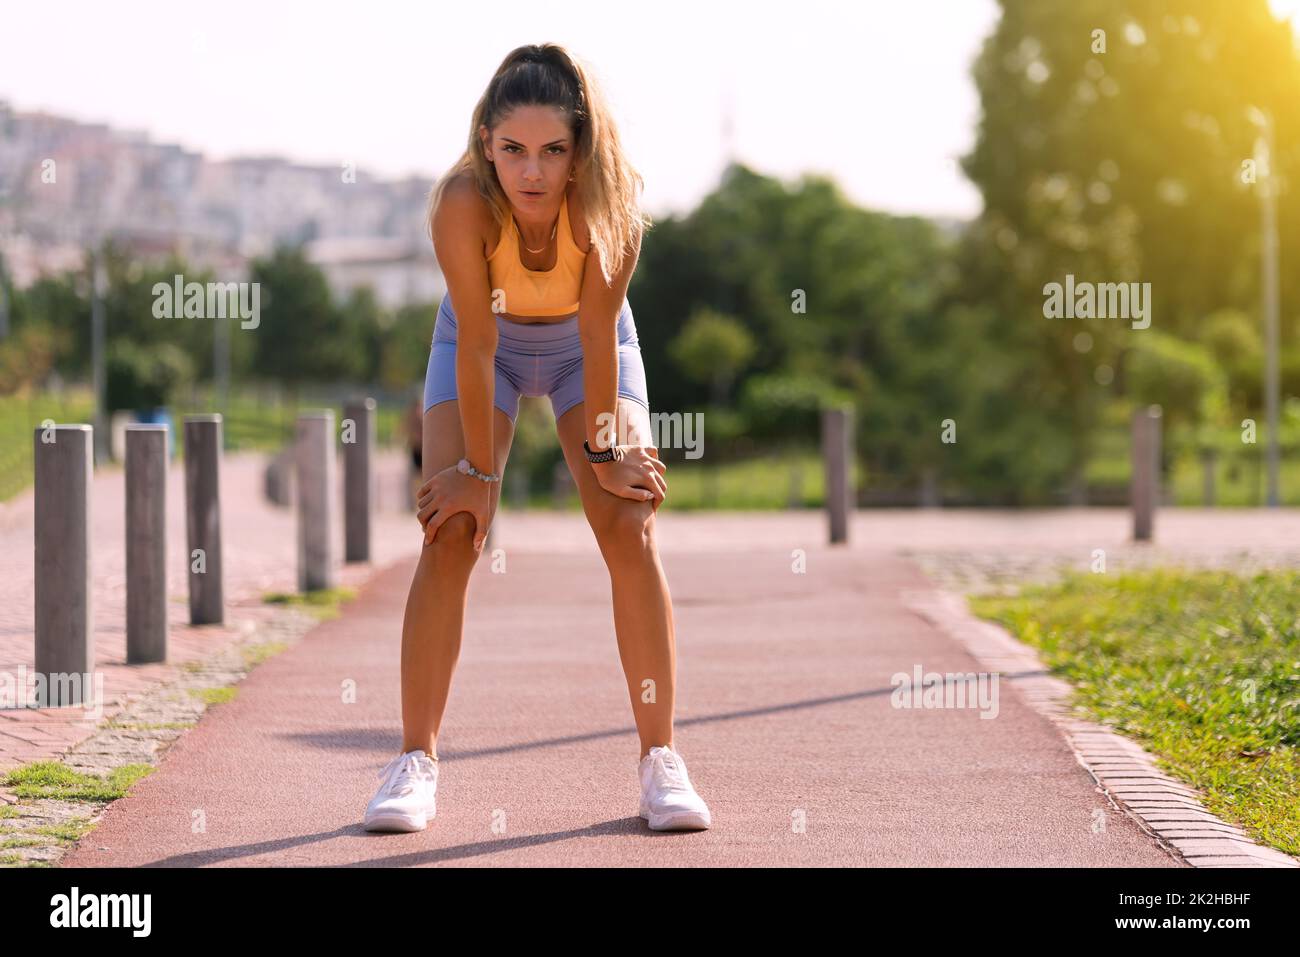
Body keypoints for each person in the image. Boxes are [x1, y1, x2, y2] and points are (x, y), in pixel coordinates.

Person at [363, 43, 711, 833]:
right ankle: (414, 761)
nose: (533, 172)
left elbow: (595, 334)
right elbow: (479, 345)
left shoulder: (611, 205)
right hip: (481, 341)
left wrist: (605, 452)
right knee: (451, 529)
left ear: (580, 150)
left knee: (629, 522)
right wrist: (476, 484)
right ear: (486, 141)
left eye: (554, 151)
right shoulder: (460, 203)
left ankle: (660, 760)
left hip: (586, 346)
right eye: (514, 149)